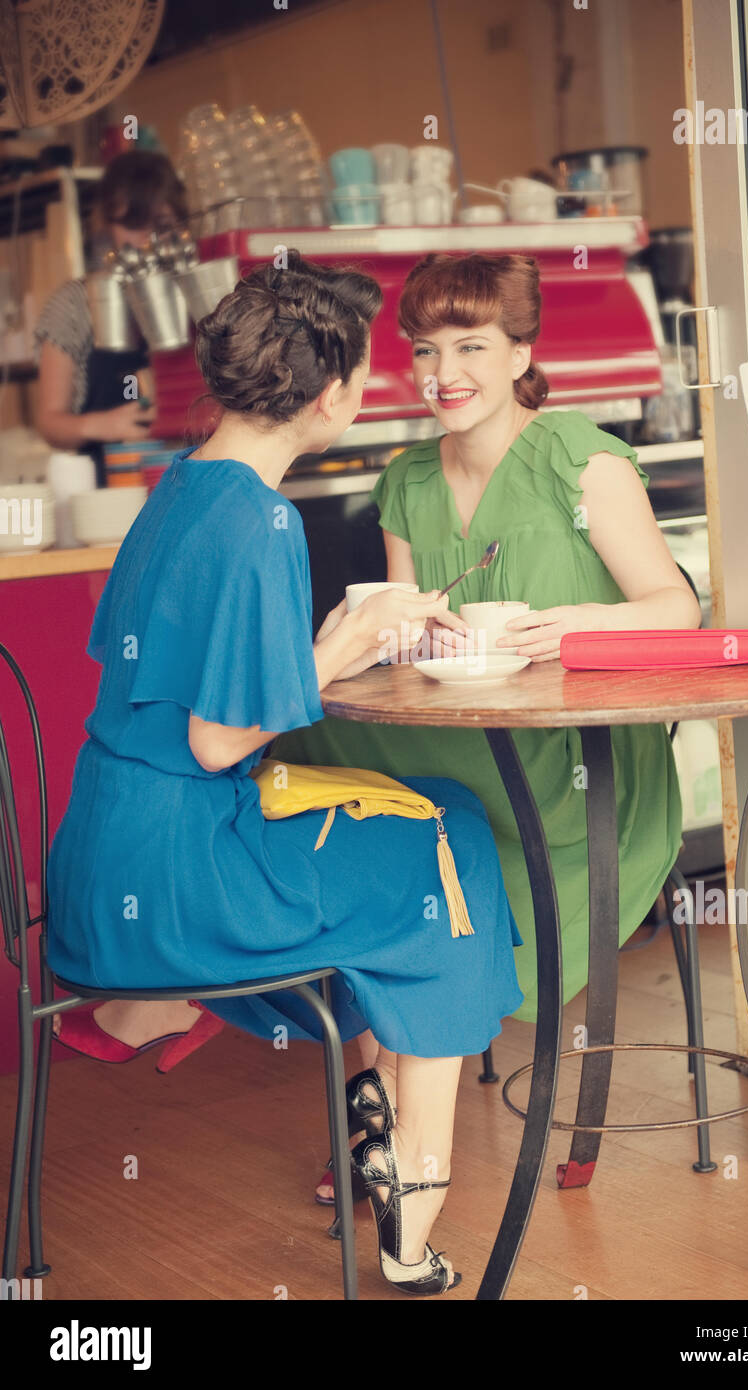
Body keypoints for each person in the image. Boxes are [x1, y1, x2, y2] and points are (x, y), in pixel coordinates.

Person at [46, 257, 524, 1296]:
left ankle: (366, 1114)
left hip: (102, 856)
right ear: (330, 394)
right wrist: (345, 644)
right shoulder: (258, 517)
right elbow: (222, 740)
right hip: (179, 878)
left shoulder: (182, 486)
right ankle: (409, 1217)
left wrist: (340, 634)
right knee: (452, 850)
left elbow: (190, 694)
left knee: (425, 817)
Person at [268, 251, 702, 1203]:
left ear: (519, 354)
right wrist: (407, 630)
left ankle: (379, 1111)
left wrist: (563, 624)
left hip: (577, 761)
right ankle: (374, 1112)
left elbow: (674, 608)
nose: (442, 372)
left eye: (471, 345)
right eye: (425, 350)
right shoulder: (407, 480)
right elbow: (409, 628)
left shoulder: (579, 460)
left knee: (386, 816)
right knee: (304, 753)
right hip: (458, 730)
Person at [33, 151, 188, 485]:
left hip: (186, 478)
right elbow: (49, 421)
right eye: (133, 225)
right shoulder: (75, 303)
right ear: (107, 223)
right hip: (110, 490)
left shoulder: (192, 293)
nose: (147, 240)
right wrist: (101, 425)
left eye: (159, 226)